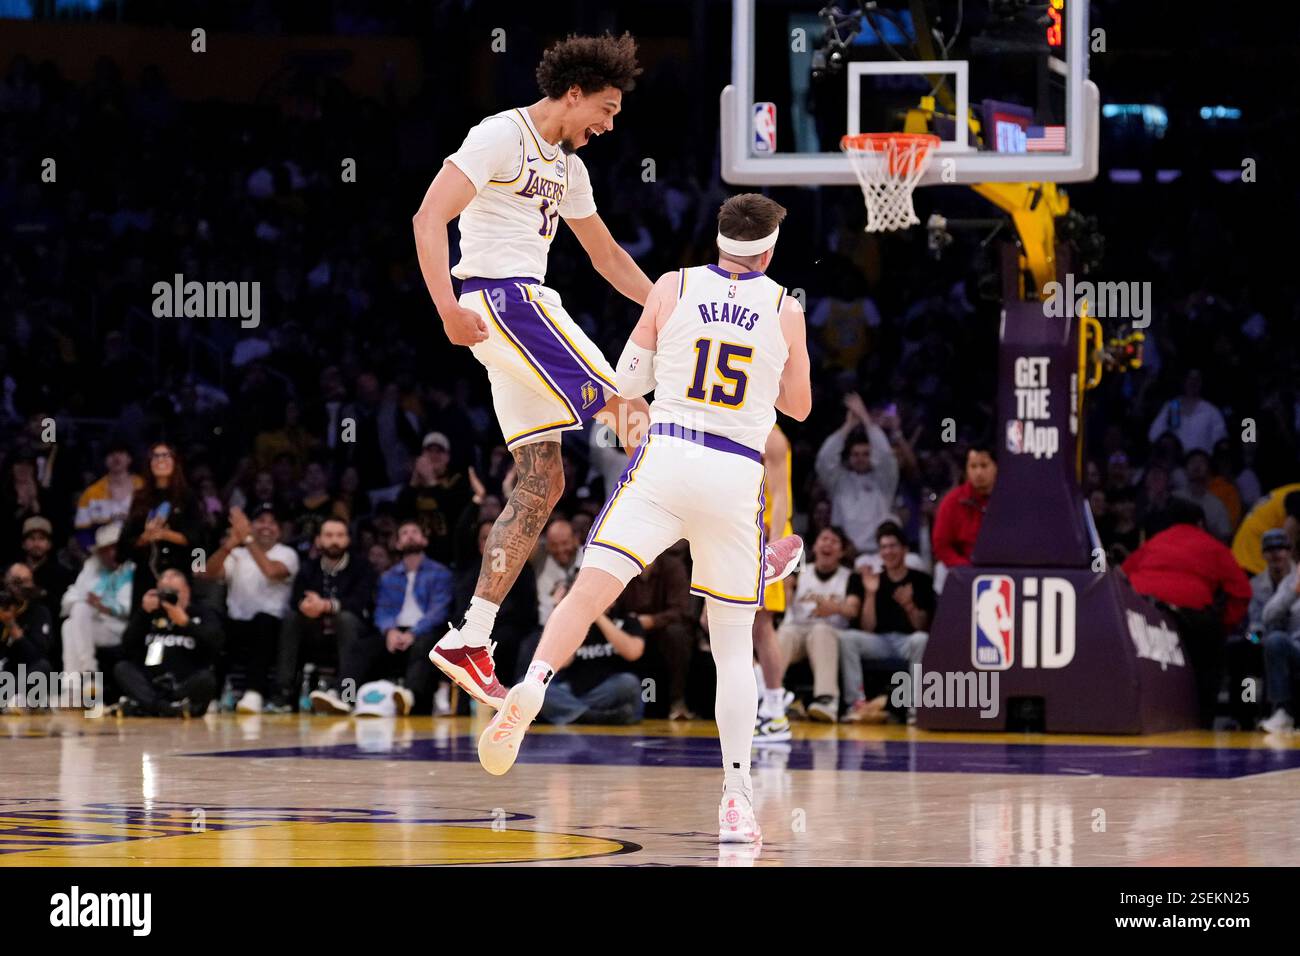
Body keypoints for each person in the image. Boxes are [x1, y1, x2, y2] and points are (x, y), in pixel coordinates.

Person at [478, 192, 810, 845]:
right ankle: (737, 799)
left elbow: (629, 380)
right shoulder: (786, 307)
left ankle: (535, 683)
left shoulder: (670, 286)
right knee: (735, 645)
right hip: (733, 472)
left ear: (718, 242)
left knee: (586, 592)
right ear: (768, 252)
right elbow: (797, 406)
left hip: (668, 456)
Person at [413, 33, 654, 709]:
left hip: (516, 320)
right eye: (604, 108)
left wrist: (668, 298)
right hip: (504, 301)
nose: (609, 124)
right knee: (628, 413)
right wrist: (444, 309)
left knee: (545, 481)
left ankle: (471, 635)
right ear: (572, 93)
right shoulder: (498, 135)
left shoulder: (571, 169)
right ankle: (737, 538)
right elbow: (428, 217)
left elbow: (607, 258)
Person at [1122, 500, 1252, 726]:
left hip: (1143, 612)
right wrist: (1224, 625)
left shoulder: (1154, 543)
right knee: (1210, 663)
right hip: (1192, 618)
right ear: (1200, 522)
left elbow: (1122, 576)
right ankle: (1204, 721)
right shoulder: (1213, 546)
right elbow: (1242, 592)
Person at [202, 503, 299, 714]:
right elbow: (205, 573)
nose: (266, 526)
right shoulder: (237, 554)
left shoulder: (287, 553)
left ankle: (254, 694)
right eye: (260, 521)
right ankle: (212, 695)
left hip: (272, 624)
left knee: (263, 623)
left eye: (272, 523)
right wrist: (230, 545)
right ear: (251, 526)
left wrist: (247, 539)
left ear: (280, 530)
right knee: (214, 625)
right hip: (236, 622)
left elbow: (272, 571)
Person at [276, 517, 376, 714]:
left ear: (348, 540)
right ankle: (283, 694)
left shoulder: (362, 567)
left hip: (351, 633)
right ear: (319, 540)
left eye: (340, 535)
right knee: (291, 619)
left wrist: (327, 605)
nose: (334, 541)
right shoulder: (308, 567)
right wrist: (305, 605)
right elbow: (296, 598)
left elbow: (361, 602)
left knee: (345, 619)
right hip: (315, 632)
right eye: (329, 535)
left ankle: (346, 695)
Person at [840, 521, 935, 723]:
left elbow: (922, 626)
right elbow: (868, 627)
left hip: (907, 642)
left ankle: (916, 707)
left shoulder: (921, 580)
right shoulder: (874, 580)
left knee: (921, 639)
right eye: (883, 547)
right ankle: (856, 703)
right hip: (880, 642)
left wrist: (908, 605)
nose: (888, 551)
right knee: (848, 638)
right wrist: (871, 594)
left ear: (904, 550)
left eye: (893, 546)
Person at [365, 521, 454, 716]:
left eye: (415, 532)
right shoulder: (388, 577)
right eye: (404, 533)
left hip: (426, 630)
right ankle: (345, 696)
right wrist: (390, 631)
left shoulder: (440, 572)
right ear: (397, 543)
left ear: (424, 540)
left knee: (424, 644)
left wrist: (413, 633)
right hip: (396, 630)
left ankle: (409, 697)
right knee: (361, 647)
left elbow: (438, 611)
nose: (410, 535)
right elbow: (382, 610)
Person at [778, 527, 860, 723]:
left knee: (820, 630)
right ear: (814, 547)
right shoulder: (799, 572)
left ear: (841, 552)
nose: (827, 544)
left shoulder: (850, 577)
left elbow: (853, 610)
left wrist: (835, 608)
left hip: (833, 633)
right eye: (824, 539)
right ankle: (770, 693)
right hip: (799, 630)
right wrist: (786, 589)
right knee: (785, 632)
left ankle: (827, 699)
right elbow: (783, 607)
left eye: (834, 541)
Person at [113, 568, 221, 717]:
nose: (168, 578)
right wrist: (143, 613)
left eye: (175, 575)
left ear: (187, 591)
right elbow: (127, 647)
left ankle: (148, 707)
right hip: (153, 683)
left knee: (206, 679)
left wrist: (186, 623)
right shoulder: (150, 615)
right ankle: (169, 709)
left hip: (184, 683)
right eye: (164, 579)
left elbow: (215, 643)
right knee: (122, 668)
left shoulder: (201, 613)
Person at [537, 582, 645, 726]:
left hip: (607, 689)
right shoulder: (575, 621)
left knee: (629, 683)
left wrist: (598, 615)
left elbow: (633, 652)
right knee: (534, 686)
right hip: (572, 688)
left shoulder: (627, 620)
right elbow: (562, 662)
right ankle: (592, 716)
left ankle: (570, 712)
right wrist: (572, 618)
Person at [118, 441, 204, 611]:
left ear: (175, 461)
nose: (160, 460)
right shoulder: (140, 498)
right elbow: (123, 546)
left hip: (180, 572)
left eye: (166, 455)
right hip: (146, 576)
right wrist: (145, 538)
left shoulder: (188, 497)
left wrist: (165, 535)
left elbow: (199, 541)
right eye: (155, 456)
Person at [815, 392, 899, 557]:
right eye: (856, 454)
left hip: (878, 554)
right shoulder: (839, 481)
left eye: (865, 454)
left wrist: (866, 420)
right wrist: (847, 427)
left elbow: (885, 456)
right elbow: (824, 459)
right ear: (849, 457)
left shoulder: (885, 481)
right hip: (844, 555)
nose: (860, 459)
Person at [753, 425, 795, 743]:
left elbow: (779, 495)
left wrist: (775, 548)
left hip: (766, 534)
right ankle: (767, 695)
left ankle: (776, 711)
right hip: (745, 530)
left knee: (762, 624)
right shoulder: (745, 422)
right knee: (714, 622)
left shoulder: (773, 436)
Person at [60, 521, 134, 678]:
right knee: (70, 622)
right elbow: (68, 599)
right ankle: (83, 675)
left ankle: (82, 677)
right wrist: (89, 602)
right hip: (90, 625)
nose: (111, 554)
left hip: (119, 628)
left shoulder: (131, 569)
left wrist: (103, 605)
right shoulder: (92, 567)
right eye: (105, 550)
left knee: (75, 620)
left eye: (114, 548)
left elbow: (129, 607)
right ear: (100, 552)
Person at [395, 432, 471, 566]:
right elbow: (400, 515)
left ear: (447, 457)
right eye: (429, 451)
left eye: (439, 451)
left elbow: (455, 513)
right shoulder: (412, 486)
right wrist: (413, 482)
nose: (434, 456)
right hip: (417, 552)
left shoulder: (458, 482)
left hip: (448, 554)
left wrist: (431, 481)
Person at [1254, 530, 1298, 733]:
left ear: (1289, 552)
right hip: (1260, 637)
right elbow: (1260, 619)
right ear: (1263, 554)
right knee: (1245, 648)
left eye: (1279, 549)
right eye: (1270, 550)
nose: (1275, 554)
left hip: (1287, 643)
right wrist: (1294, 591)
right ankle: (1248, 712)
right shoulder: (1256, 585)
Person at [931, 445, 997, 569]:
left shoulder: (1008, 497)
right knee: (940, 569)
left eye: (984, 465)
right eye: (973, 466)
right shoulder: (953, 501)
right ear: (967, 470)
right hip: (963, 569)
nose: (978, 472)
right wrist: (965, 569)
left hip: (1003, 568)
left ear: (996, 467)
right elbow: (941, 545)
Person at [73, 441, 143, 551]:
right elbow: (82, 531)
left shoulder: (145, 488)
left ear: (129, 458)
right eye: (111, 454)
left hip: (139, 552)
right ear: (105, 460)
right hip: (103, 555)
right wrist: (95, 552)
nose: (116, 457)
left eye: (121, 452)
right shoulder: (91, 493)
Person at [1147, 368, 1227, 456]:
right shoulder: (1173, 406)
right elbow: (1153, 434)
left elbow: (1220, 441)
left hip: (1201, 463)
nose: (1193, 383)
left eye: (1196, 379)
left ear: (1201, 383)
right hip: (1175, 463)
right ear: (1184, 381)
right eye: (1190, 379)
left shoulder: (1211, 411)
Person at [1232, 485, 1300, 576]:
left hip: (1240, 553)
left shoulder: (1291, 490)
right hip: (1256, 558)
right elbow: (1289, 528)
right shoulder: (1297, 495)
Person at [1174, 450, 1232, 542]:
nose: (1197, 466)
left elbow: (1226, 537)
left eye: (1201, 462)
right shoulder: (1174, 498)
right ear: (1185, 470)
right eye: (1192, 462)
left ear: (1209, 470)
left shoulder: (1217, 505)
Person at [535, 517, 581, 624]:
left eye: (565, 543)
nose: (560, 549)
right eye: (554, 545)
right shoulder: (542, 561)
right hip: (549, 626)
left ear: (575, 539)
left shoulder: (588, 558)